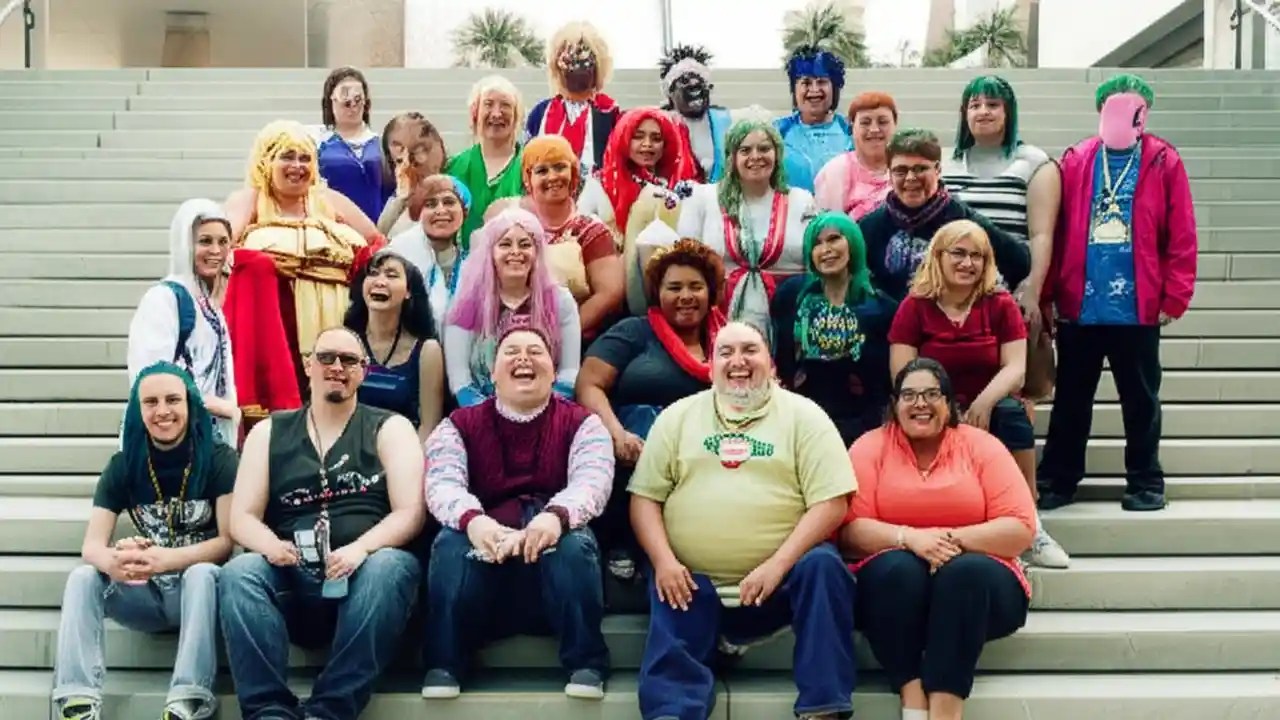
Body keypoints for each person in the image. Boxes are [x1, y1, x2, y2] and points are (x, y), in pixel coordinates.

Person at [630, 321, 857, 720]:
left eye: (750, 350)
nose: (738, 361)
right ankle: (672, 713)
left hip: (778, 586)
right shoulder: (678, 417)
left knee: (824, 566)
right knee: (672, 584)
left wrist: (777, 565)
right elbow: (645, 498)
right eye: (726, 352)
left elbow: (833, 501)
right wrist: (665, 561)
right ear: (710, 364)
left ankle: (823, 708)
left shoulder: (806, 417)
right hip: (690, 583)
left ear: (770, 362)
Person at [218, 327, 425, 720]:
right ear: (308, 364)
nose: (337, 367)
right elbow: (241, 517)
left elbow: (411, 512)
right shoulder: (268, 432)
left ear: (364, 372)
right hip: (292, 581)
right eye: (327, 357)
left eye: (350, 361)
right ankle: (268, 712)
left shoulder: (390, 427)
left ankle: (328, 711)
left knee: (391, 565)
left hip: (366, 586)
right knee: (240, 571)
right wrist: (270, 546)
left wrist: (360, 549)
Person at [421, 325, 614, 700]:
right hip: (486, 551)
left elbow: (593, 481)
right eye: (511, 352)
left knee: (576, 545)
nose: (523, 359)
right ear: (492, 373)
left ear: (554, 371)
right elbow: (441, 483)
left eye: (535, 352)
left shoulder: (584, 424)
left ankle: (586, 662)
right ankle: (445, 663)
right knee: (449, 544)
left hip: (550, 551)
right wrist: (474, 522)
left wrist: (554, 517)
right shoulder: (458, 425)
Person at [1037, 74, 1198, 513]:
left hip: (1138, 306)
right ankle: (1058, 478)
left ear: (1144, 112)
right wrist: (1048, 293)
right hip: (1081, 304)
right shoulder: (1076, 160)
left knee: (1140, 398)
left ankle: (1145, 480)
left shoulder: (1164, 160)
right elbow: (1053, 230)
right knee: (1071, 398)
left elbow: (1181, 233)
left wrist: (1175, 296)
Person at [840, 358, 1034, 720]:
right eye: (909, 395)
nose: (920, 404)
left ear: (949, 403)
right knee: (898, 570)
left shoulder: (982, 446)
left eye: (932, 394)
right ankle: (912, 693)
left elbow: (1021, 526)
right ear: (894, 405)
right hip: (892, 589)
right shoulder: (869, 447)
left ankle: (946, 710)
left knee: (964, 574)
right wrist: (909, 538)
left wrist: (947, 540)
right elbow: (849, 530)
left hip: (980, 588)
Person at [54, 362, 237, 720]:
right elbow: (92, 546)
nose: (162, 411)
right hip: (145, 592)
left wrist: (166, 559)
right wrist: (116, 561)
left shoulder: (219, 460)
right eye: (150, 402)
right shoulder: (123, 465)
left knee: (201, 573)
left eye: (173, 400)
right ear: (138, 410)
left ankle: (190, 697)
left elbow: (227, 542)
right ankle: (77, 699)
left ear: (190, 404)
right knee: (83, 577)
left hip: (199, 596)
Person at [888, 220, 1068, 568]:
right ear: (937, 256)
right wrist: (942, 409)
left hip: (988, 403)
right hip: (930, 405)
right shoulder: (914, 306)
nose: (967, 263)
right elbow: (903, 375)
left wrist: (983, 402)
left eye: (978, 256)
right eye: (958, 253)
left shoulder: (998, 304)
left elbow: (1016, 367)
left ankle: (1030, 521)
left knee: (1013, 414)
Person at [575, 239, 727, 579]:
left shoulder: (728, 339)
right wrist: (615, 433)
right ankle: (625, 544)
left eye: (695, 287)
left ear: (711, 291)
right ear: (657, 292)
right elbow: (589, 385)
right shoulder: (633, 331)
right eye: (674, 287)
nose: (685, 296)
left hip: (702, 447)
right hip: (635, 442)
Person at [222, 120, 384, 424]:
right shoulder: (250, 201)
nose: (297, 166)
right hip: (278, 329)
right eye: (286, 156)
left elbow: (377, 245)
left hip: (337, 321)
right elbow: (221, 249)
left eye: (305, 157)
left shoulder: (329, 201)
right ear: (265, 162)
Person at [943, 75, 1060, 339]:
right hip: (953, 292)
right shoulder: (945, 163)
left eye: (993, 104)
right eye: (975, 105)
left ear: (1008, 111)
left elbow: (1041, 234)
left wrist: (1033, 288)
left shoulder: (1034, 162)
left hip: (1010, 291)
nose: (983, 111)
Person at [678, 119, 816, 339]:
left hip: (788, 320)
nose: (755, 156)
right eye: (745, 150)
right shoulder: (702, 198)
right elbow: (683, 264)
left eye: (764, 148)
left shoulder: (801, 200)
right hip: (718, 319)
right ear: (731, 158)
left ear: (777, 154)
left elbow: (815, 264)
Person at [771, 212, 898, 448]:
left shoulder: (882, 308)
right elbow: (782, 362)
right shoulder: (790, 297)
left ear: (853, 243)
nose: (826, 249)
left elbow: (884, 383)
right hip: (800, 422)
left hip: (862, 426)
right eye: (817, 244)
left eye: (834, 239)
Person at [858, 128, 1029, 302]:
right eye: (900, 171)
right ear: (890, 174)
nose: (910, 178)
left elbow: (1021, 263)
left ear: (938, 169)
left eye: (920, 169)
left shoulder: (965, 221)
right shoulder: (869, 228)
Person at [127, 199, 239, 446]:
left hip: (210, 441)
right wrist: (219, 406)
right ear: (184, 244)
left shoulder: (208, 307)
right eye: (205, 241)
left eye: (223, 242)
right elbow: (150, 377)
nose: (216, 251)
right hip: (172, 444)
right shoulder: (163, 299)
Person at [444, 207, 581, 406]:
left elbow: (569, 373)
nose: (515, 252)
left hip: (547, 410)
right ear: (490, 252)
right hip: (482, 411)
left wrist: (543, 411)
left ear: (537, 252)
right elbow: (460, 380)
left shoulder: (561, 301)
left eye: (525, 244)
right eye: (505, 244)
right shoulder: (467, 302)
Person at [579, 107, 700, 316]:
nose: (647, 145)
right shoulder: (598, 184)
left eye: (656, 138)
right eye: (638, 137)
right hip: (609, 298)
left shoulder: (674, 188)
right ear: (624, 139)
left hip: (663, 297)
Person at [522, 134, 625, 339]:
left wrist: (561, 336)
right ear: (528, 180)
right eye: (542, 170)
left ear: (574, 173)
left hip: (578, 337)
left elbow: (609, 294)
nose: (552, 177)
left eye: (560, 167)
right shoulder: (514, 225)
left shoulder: (591, 230)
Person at [345, 249, 445, 442]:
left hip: (404, 452)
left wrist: (408, 464)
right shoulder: (346, 341)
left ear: (408, 291)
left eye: (391, 275)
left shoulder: (427, 351)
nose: (380, 281)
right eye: (373, 274)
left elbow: (429, 426)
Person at [525, 21, 620, 174]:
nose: (578, 68)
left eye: (585, 60)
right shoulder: (541, 113)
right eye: (570, 59)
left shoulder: (609, 113)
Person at [446, 75, 526, 250]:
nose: (496, 114)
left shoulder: (530, 166)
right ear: (475, 112)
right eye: (488, 104)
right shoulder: (455, 167)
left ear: (516, 116)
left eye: (505, 105)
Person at [387, 174, 473, 325]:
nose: (441, 211)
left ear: (464, 211)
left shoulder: (474, 266)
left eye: (449, 202)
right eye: (431, 204)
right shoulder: (398, 259)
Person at [313, 67, 390, 223]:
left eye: (358, 101)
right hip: (334, 228)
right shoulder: (318, 143)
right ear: (331, 101)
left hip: (376, 228)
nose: (353, 107)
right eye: (346, 102)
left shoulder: (382, 144)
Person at [774, 45, 853, 193]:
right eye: (806, 82)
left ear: (834, 88)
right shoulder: (777, 132)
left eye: (822, 81)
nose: (814, 90)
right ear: (794, 89)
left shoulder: (850, 132)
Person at [814, 91, 897, 219]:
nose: (874, 129)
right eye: (865, 122)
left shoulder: (906, 168)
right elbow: (828, 229)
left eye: (883, 122)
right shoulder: (835, 172)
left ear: (895, 126)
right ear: (852, 128)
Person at [659, 44, 734, 183]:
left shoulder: (726, 122)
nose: (694, 84)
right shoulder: (659, 125)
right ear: (670, 94)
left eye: (699, 80)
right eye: (684, 81)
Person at [377, 112, 450, 236]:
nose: (406, 165)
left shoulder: (453, 187)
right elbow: (380, 233)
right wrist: (401, 199)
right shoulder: (399, 198)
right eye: (399, 161)